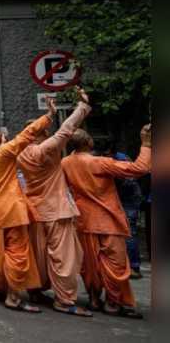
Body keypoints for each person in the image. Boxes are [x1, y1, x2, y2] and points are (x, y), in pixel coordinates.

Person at [62, 125, 151, 320]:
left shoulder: (65, 162)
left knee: (90, 264)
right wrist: (146, 144)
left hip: (83, 220)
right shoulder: (101, 162)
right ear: (88, 142)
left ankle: (94, 300)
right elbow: (140, 168)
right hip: (107, 220)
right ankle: (111, 303)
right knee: (115, 264)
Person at [17, 89, 93, 317]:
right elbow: (67, 129)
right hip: (55, 211)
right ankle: (64, 300)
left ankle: (36, 291)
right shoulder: (46, 149)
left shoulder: (20, 152)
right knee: (65, 258)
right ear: (46, 131)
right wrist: (82, 106)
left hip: (33, 209)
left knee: (38, 255)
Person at [0, 108, 56, 313]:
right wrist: (49, 116)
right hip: (11, 210)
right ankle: (13, 297)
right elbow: (27, 134)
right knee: (17, 253)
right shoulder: (5, 150)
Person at [97, 143, 145, 279]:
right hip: (109, 198)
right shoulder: (95, 157)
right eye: (101, 154)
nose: (103, 157)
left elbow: (130, 181)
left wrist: (115, 171)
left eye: (106, 155)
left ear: (113, 153)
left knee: (129, 231)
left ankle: (134, 267)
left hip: (128, 199)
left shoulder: (123, 160)